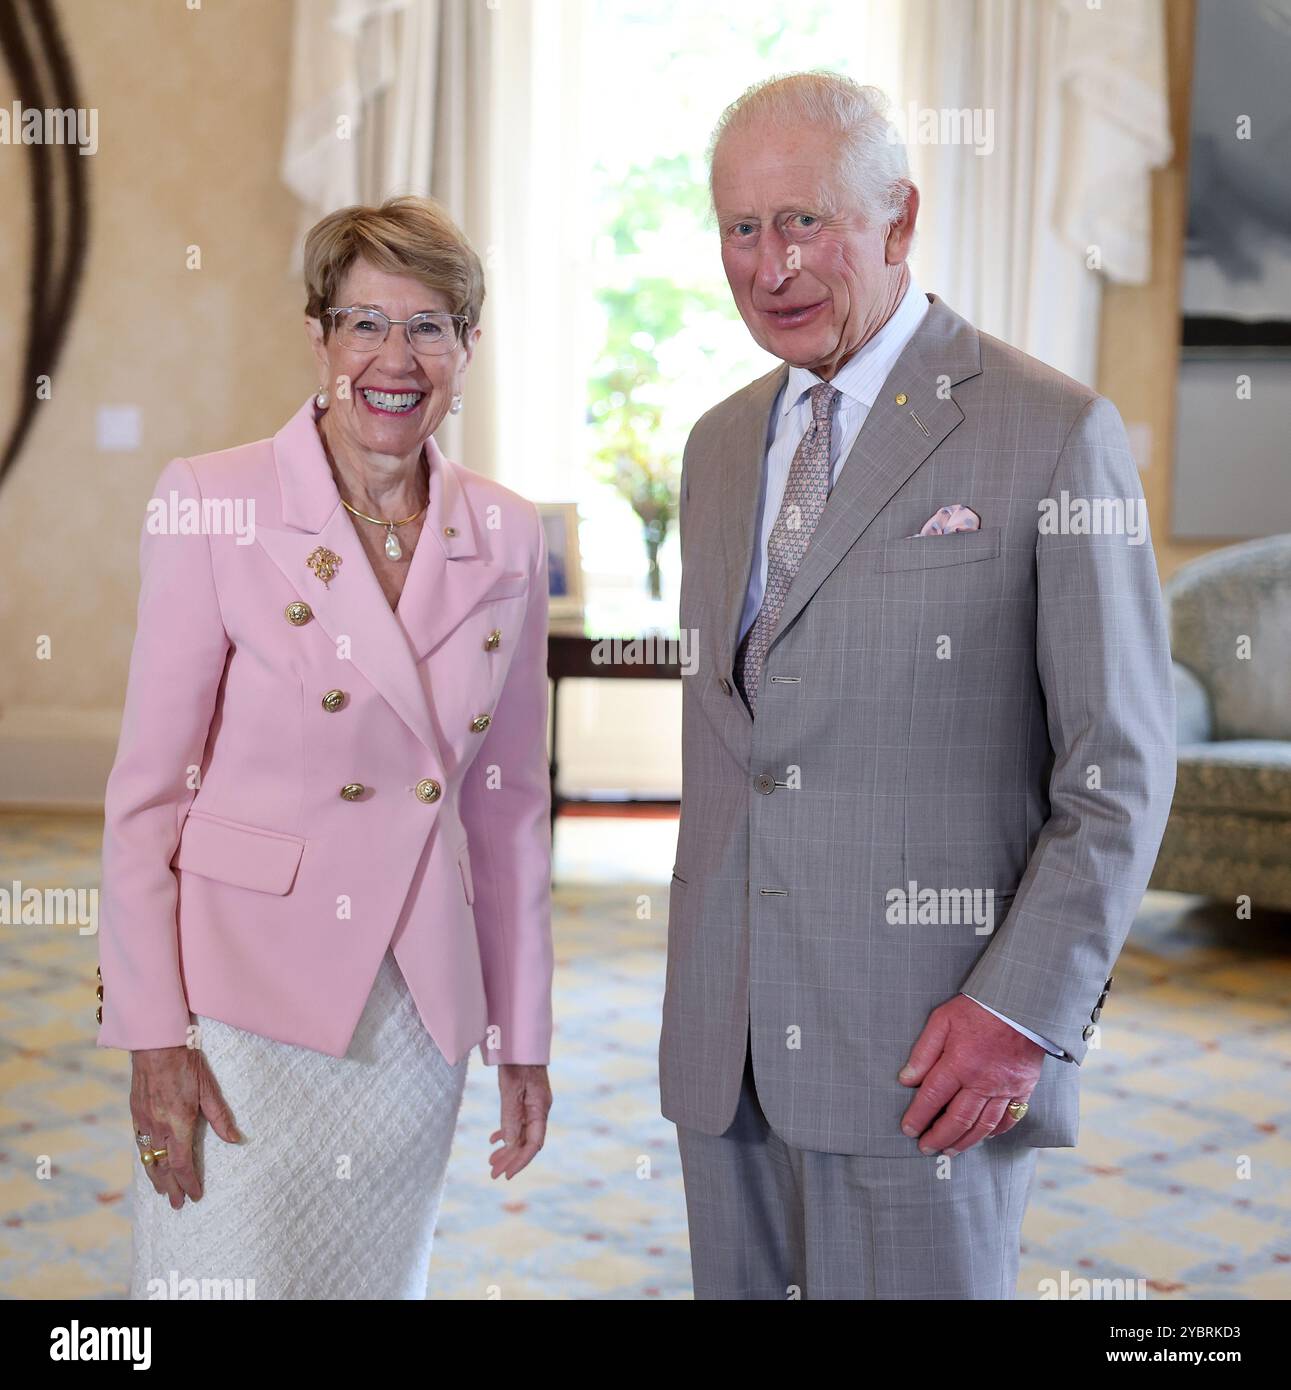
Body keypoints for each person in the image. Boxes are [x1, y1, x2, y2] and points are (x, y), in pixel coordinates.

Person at [659, 74, 1176, 1300]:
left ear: (897, 221)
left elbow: (1118, 770)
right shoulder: (718, 445)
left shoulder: (1052, 430)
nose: (769, 263)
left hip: (926, 1048)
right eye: (741, 227)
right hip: (722, 1047)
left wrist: (1021, 1011)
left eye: (805, 222)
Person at [97, 194, 554, 1300]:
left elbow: (507, 809)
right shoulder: (213, 502)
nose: (394, 359)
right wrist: (152, 1035)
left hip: (413, 1020)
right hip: (243, 1005)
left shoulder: (504, 531)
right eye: (364, 323)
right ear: (318, 337)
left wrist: (523, 1032)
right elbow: (147, 797)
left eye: (429, 326)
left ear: (468, 347)